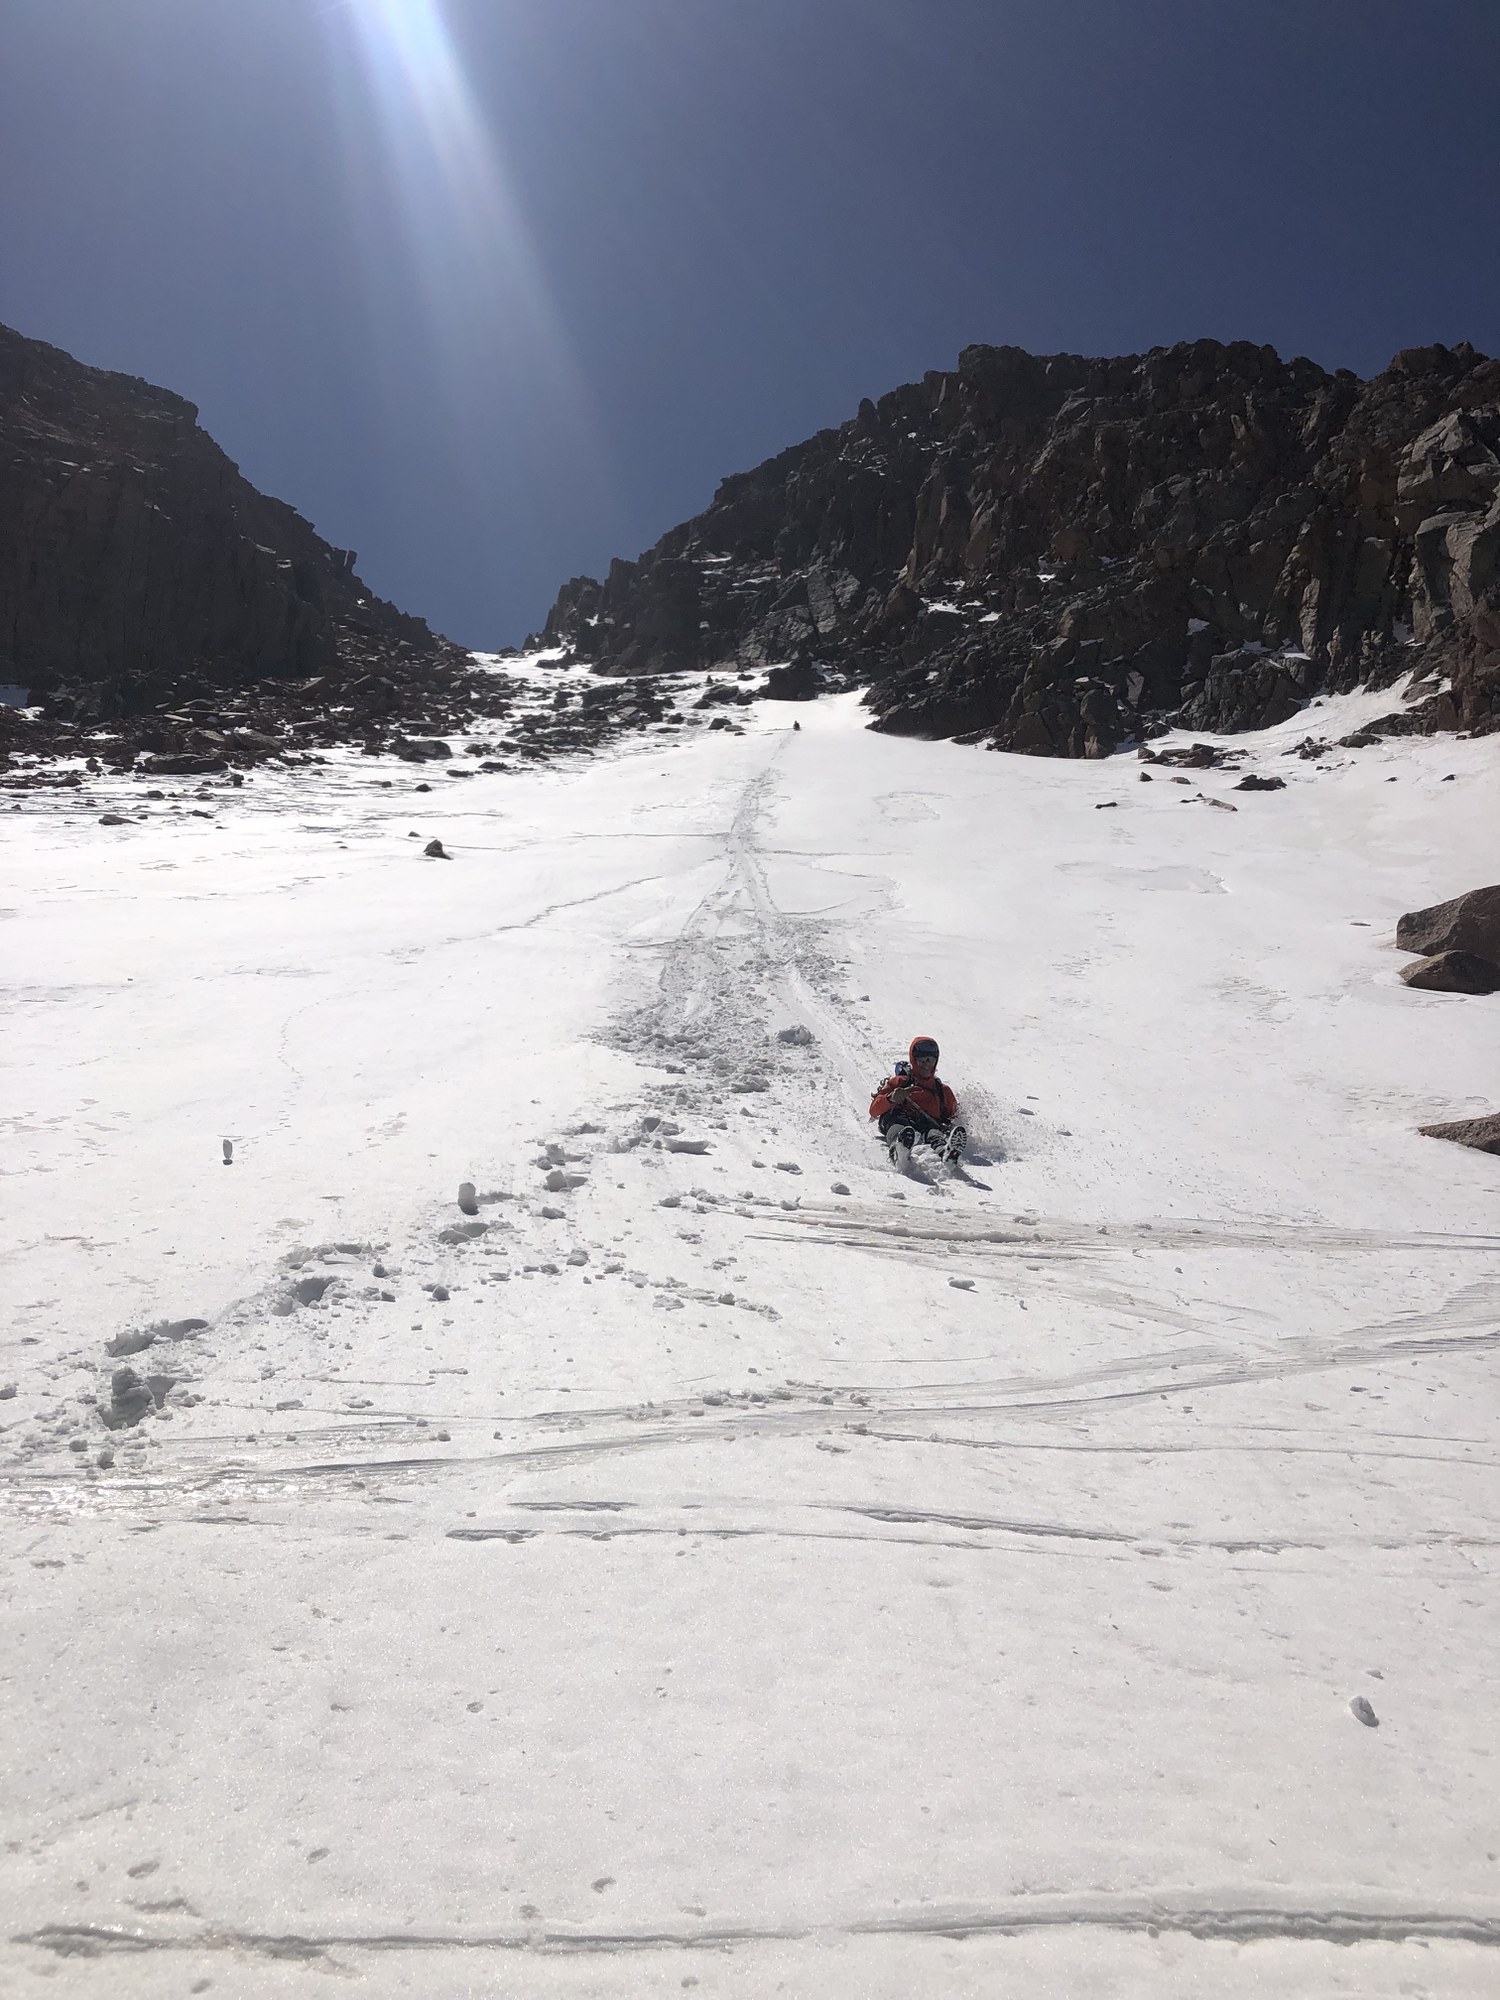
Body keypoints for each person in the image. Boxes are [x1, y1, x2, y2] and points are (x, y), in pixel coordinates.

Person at [870, 1036, 966, 1166]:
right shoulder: (899, 1082)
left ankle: (946, 1153)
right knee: (897, 1127)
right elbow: (874, 1110)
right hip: (900, 1120)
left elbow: (953, 1116)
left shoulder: (942, 1091)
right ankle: (899, 1148)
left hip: (927, 1125)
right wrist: (891, 1098)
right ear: (913, 1061)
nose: (926, 1065)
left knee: (934, 1133)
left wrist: (949, 1129)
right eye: (922, 1060)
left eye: (930, 1060)